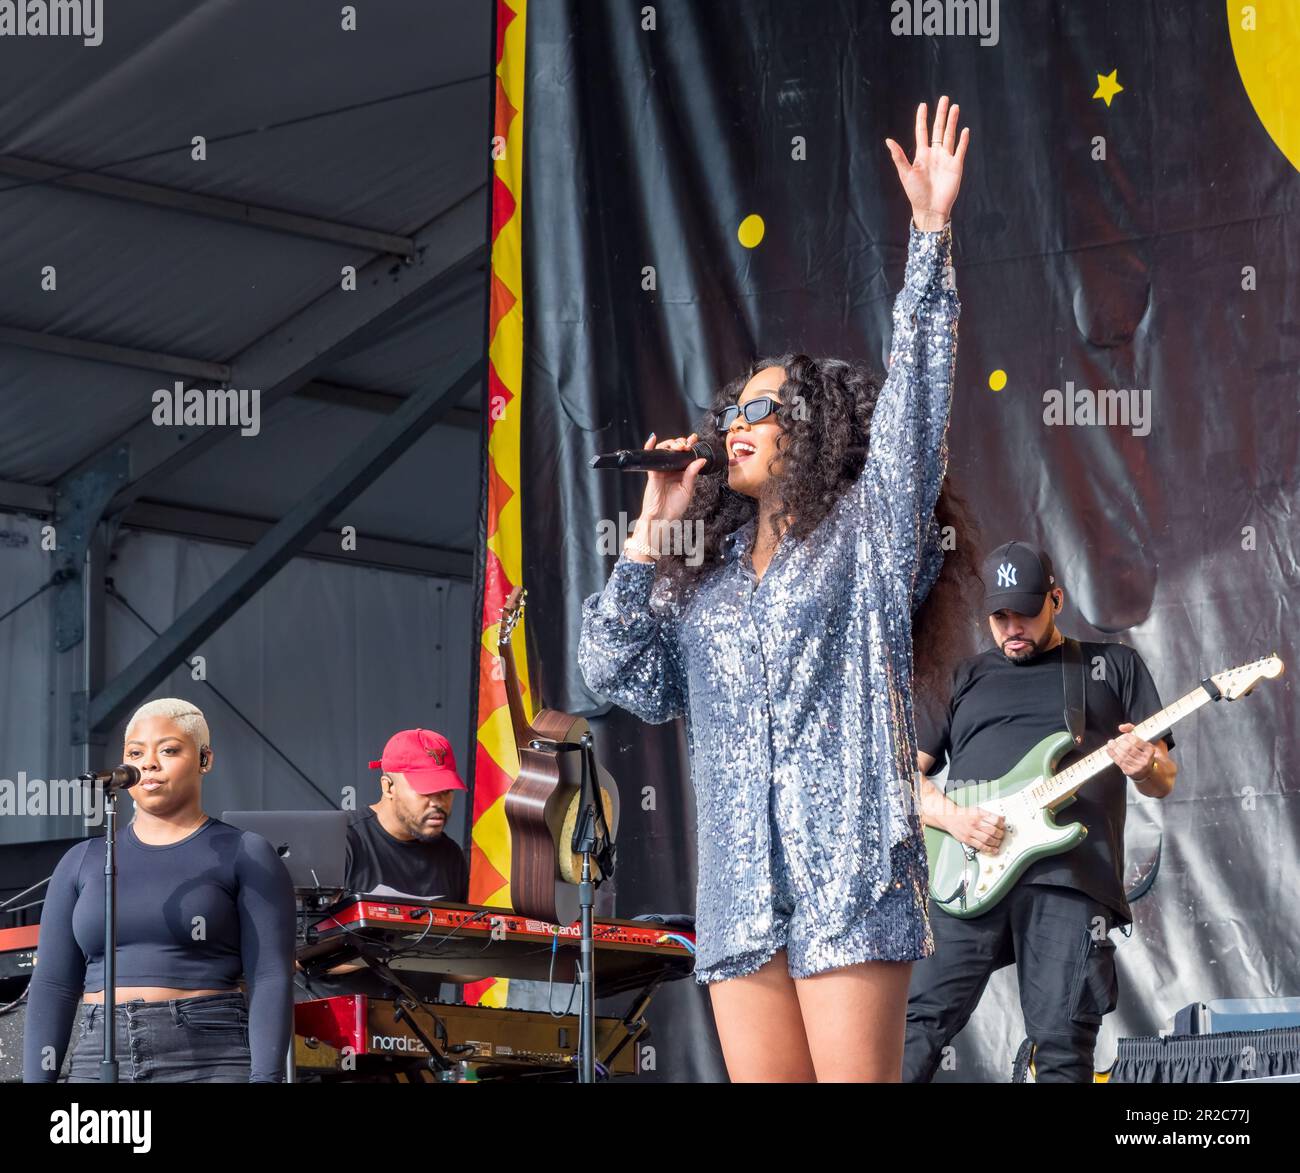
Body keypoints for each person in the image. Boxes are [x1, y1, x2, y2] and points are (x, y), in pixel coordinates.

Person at [579, 98, 970, 1082]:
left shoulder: (869, 538)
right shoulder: (705, 589)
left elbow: (918, 414)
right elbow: (611, 675)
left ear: (815, 427)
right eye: (731, 408)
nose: (737, 421)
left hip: (847, 879)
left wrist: (928, 236)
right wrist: (658, 521)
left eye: (762, 407)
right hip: (739, 897)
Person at [903, 540, 1177, 1082]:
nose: (1011, 628)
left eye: (1025, 613)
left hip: (1068, 880)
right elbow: (902, 778)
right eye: (999, 616)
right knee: (919, 1024)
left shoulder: (1111, 666)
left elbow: (1163, 781)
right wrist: (955, 819)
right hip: (966, 871)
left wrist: (1144, 764)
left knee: (1060, 1041)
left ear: (1056, 598)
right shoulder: (962, 677)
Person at [23, 698, 296, 1083]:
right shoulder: (82, 860)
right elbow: (54, 983)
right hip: (97, 1052)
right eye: (136, 752)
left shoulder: (245, 852)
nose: (149, 763)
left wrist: (265, 1078)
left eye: (168, 750)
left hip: (206, 1054)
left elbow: (269, 975)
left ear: (205, 760)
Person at [345, 728, 469, 902]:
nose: (438, 803)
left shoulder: (451, 856)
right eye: (425, 790)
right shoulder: (343, 841)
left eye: (446, 791)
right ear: (388, 787)